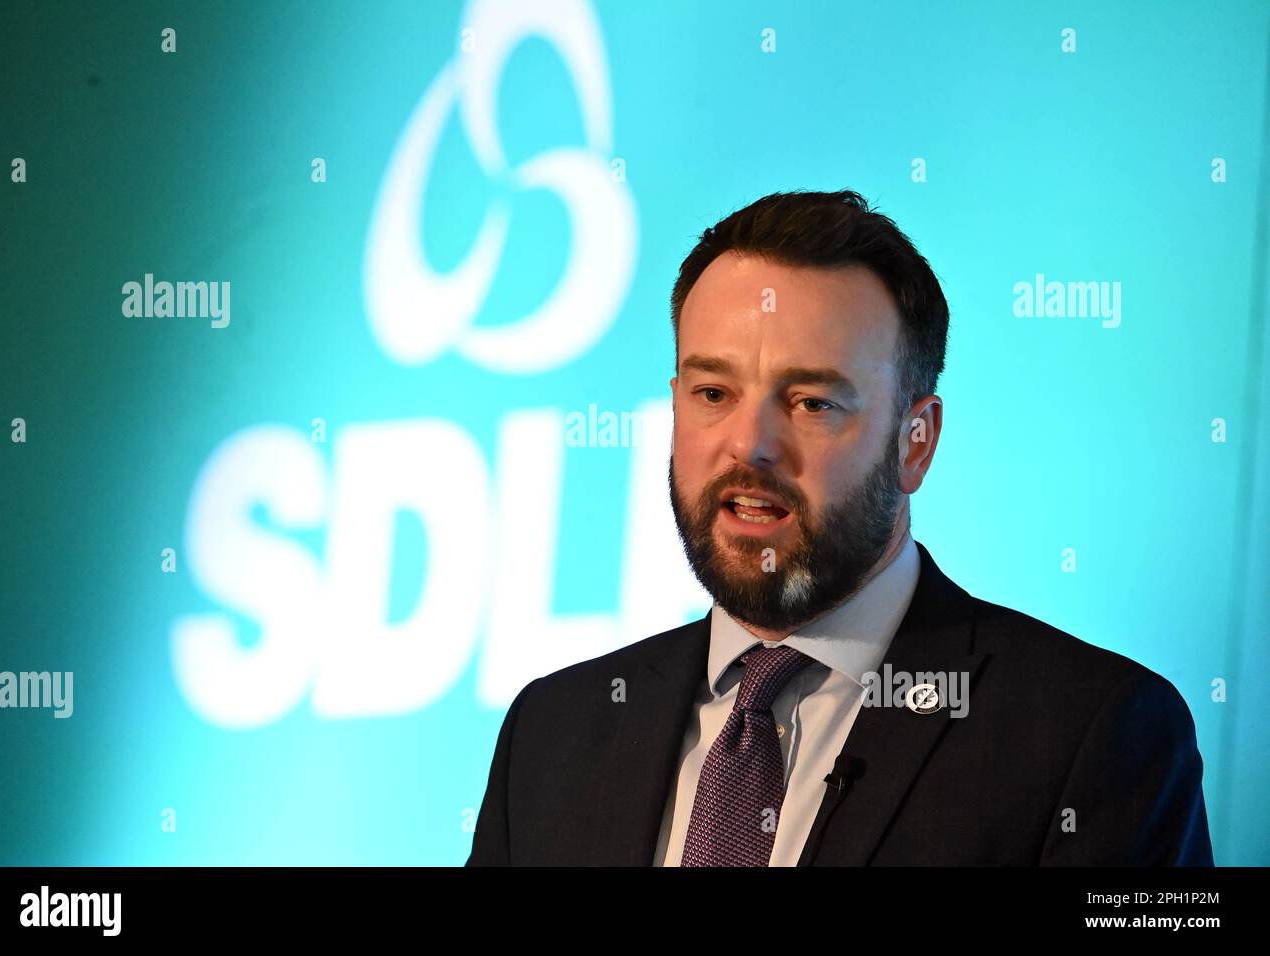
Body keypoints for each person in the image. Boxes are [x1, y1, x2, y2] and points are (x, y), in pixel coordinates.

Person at [466, 190, 1214, 866]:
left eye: (812, 402)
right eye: (713, 391)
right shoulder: (554, 732)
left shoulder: (1093, 732)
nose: (749, 444)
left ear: (914, 440)